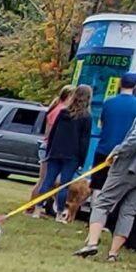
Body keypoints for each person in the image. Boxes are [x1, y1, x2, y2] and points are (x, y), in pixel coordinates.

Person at [76, 114, 136, 261]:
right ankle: (113, 253)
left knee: (103, 203)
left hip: (127, 168)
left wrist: (117, 150)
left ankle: (92, 243)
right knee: (129, 211)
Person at [40, 84, 90, 218]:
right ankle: (59, 213)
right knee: (64, 185)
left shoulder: (63, 112)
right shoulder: (86, 117)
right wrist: (82, 159)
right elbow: (84, 140)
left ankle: (37, 210)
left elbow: (54, 133)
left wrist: (49, 151)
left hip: (56, 152)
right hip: (72, 155)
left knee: (47, 182)